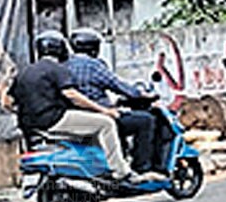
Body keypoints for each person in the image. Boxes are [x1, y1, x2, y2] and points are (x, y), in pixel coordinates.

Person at [3, 31, 151, 183]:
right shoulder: (57, 69)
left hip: (30, 126)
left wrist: (26, 110)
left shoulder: (24, 72)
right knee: (106, 124)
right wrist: (104, 111)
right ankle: (121, 172)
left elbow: (7, 102)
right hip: (54, 120)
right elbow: (72, 95)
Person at [67, 28, 162, 177]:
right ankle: (142, 168)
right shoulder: (93, 65)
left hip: (78, 118)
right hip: (100, 116)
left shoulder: (65, 64)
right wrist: (141, 95)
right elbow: (117, 85)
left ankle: (122, 156)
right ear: (93, 47)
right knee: (146, 121)